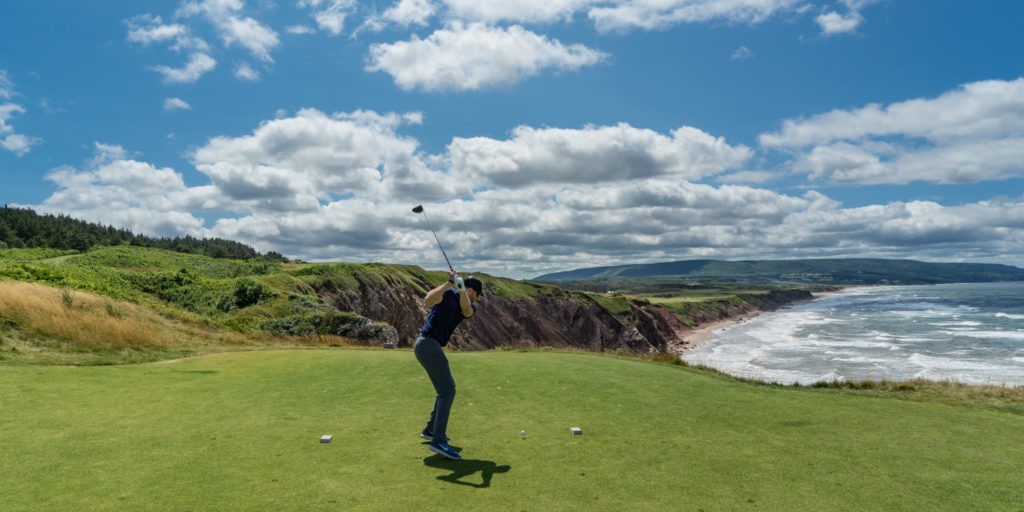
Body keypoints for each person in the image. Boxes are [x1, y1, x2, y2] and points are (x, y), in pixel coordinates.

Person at [414, 268, 483, 460]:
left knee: (444, 389)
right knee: (448, 391)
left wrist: (461, 290)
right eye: (476, 295)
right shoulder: (447, 295)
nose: (476, 299)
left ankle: (430, 430)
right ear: (472, 291)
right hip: (427, 344)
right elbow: (428, 300)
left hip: (429, 346)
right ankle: (438, 440)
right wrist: (448, 283)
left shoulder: (466, 303)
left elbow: (467, 311)